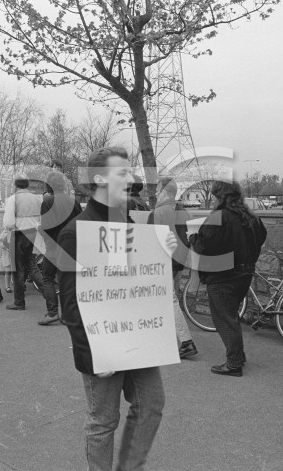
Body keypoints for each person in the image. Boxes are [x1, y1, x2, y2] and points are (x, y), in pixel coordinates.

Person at [57, 146, 177, 471]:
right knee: (103, 422)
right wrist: (95, 354)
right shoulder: (76, 232)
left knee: (151, 403)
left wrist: (167, 256)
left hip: (136, 337)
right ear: (99, 179)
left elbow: (146, 281)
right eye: (122, 173)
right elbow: (69, 304)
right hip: (102, 347)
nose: (132, 178)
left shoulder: (129, 223)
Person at [189, 180, 267, 377]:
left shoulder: (219, 217)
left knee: (225, 319)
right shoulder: (250, 217)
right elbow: (262, 236)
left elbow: (204, 247)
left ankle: (233, 363)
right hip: (245, 273)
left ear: (220, 197)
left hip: (222, 275)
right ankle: (238, 356)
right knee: (231, 316)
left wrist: (193, 239)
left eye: (215, 196)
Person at [148, 177, 198, 359]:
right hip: (179, 260)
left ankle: (186, 341)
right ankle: (164, 335)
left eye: (157, 190)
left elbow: (149, 240)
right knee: (168, 297)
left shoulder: (157, 213)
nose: (155, 193)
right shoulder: (184, 211)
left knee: (170, 300)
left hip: (162, 260)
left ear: (164, 192)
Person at [37, 170, 82, 325]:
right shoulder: (74, 202)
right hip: (70, 246)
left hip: (53, 246)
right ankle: (68, 313)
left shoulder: (48, 202)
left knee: (48, 278)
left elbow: (45, 226)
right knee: (67, 280)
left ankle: (52, 312)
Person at [3, 173, 43, 310]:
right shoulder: (37, 198)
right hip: (33, 232)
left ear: (15, 185)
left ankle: (19, 301)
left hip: (18, 234)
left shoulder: (13, 199)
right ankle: (50, 294)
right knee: (32, 266)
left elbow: (8, 223)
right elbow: (41, 218)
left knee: (18, 269)